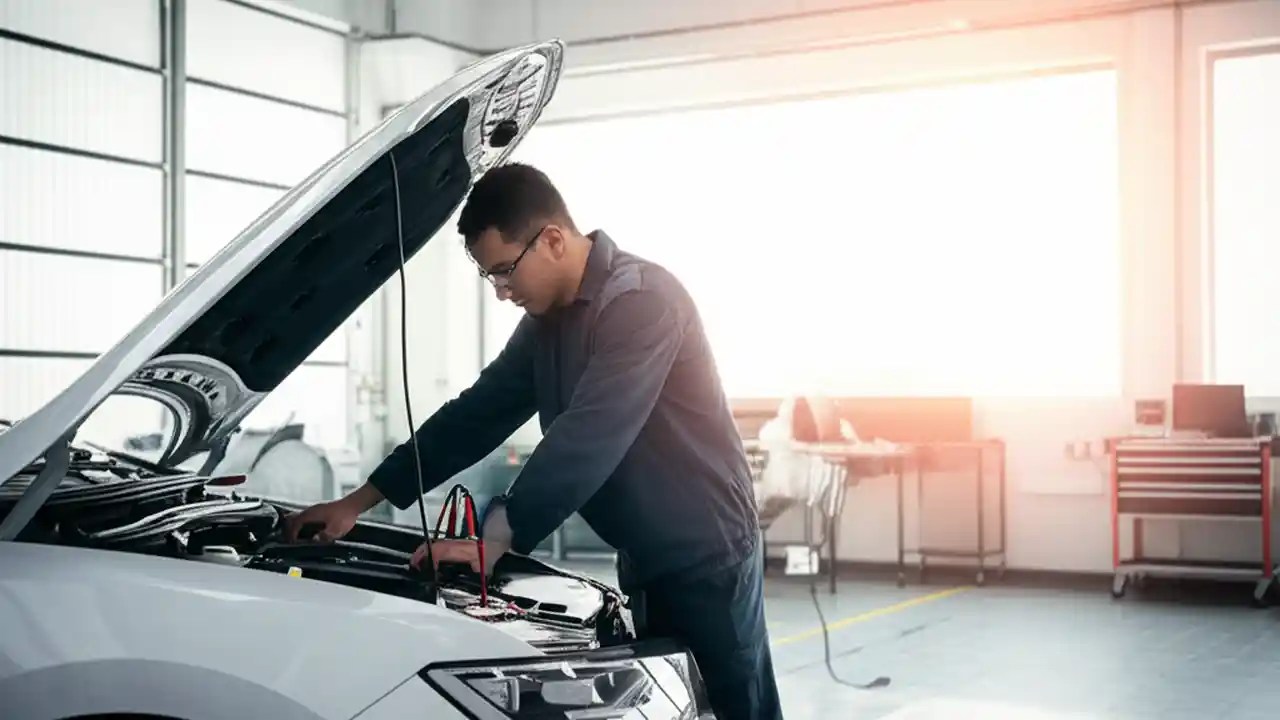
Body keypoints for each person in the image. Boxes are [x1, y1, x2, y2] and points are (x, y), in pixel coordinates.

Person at [283, 162, 783, 720]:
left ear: (552, 241)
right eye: (490, 278)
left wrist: (497, 537)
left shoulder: (644, 302)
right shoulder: (549, 322)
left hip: (708, 552)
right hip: (643, 552)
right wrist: (358, 501)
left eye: (504, 272)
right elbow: (476, 414)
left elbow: (591, 433)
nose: (502, 293)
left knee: (738, 708)